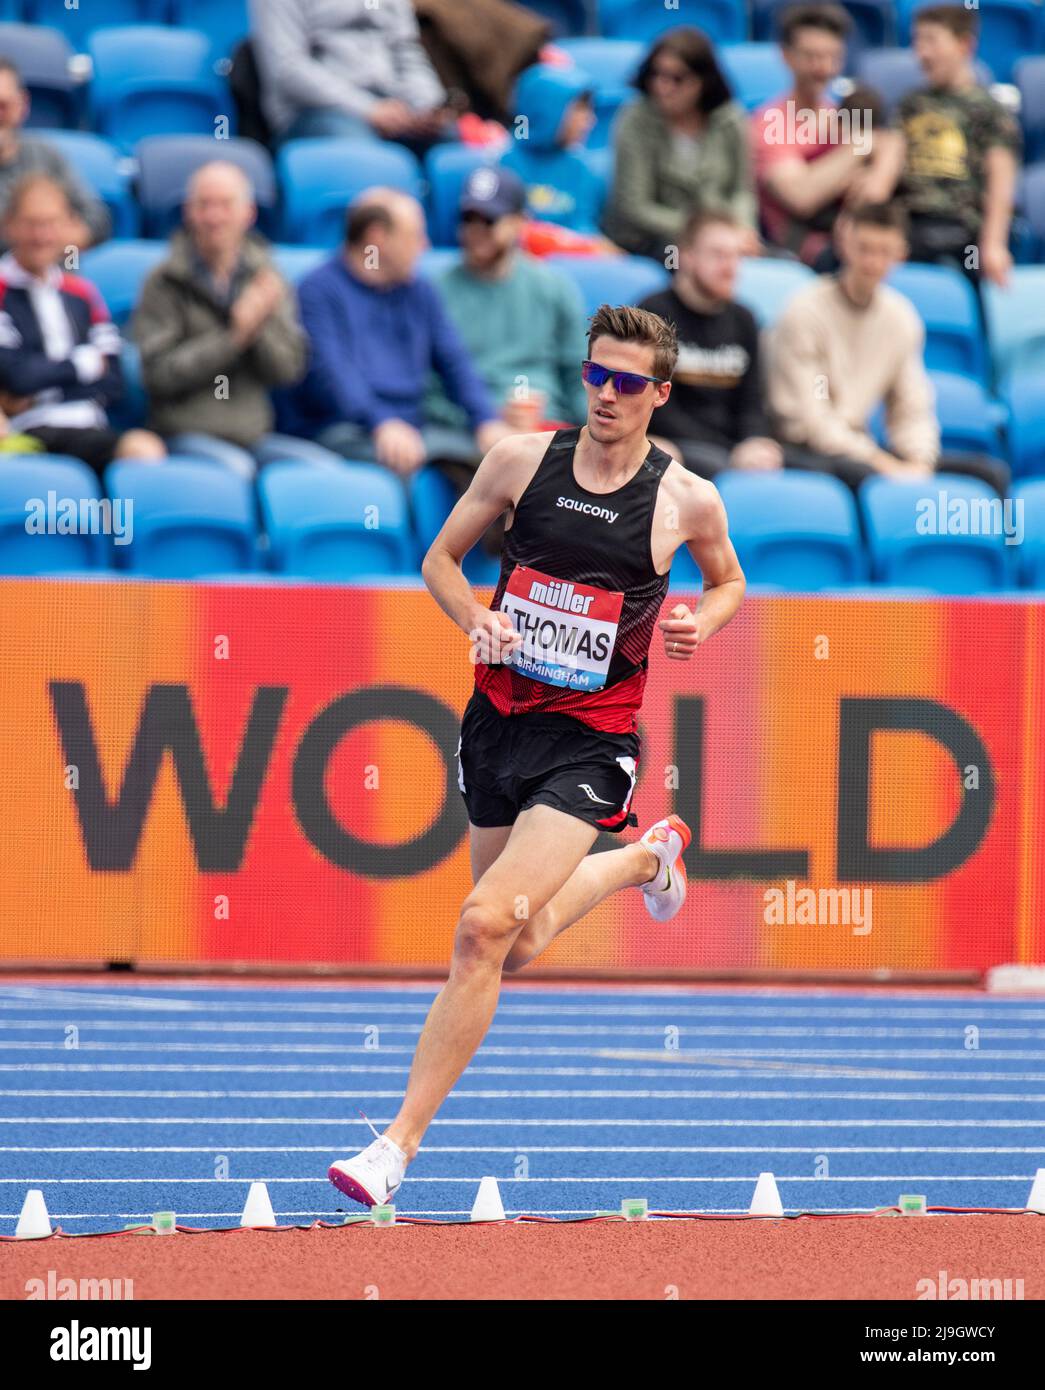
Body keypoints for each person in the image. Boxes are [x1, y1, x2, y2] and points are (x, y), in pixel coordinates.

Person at [326, 303, 746, 1206]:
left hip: (591, 744)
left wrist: (696, 624)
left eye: (627, 382)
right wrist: (476, 616)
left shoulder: (686, 499)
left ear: (659, 395)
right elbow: (440, 560)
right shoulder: (521, 460)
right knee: (513, 947)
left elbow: (728, 580)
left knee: (481, 926)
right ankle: (643, 860)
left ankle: (394, 1147)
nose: (606, 393)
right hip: (497, 725)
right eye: (596, 374)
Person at [767, 201, 1008, 493]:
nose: (873, 262)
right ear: (844, 245)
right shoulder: (805, 310)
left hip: (864, 451)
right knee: (859, 473)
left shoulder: (901, 317)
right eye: (865, 249)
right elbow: (811, 420)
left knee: (990, 474)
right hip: (807, 450)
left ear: (900, 255)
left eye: (884, 252)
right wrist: (881, 463)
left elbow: (912, 407)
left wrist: (919, 461)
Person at [280, 187, 511, 474]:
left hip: (412, 427)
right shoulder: (318, 291)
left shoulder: (419, 290)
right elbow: (333, 376)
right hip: (340, 429)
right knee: (448, 466)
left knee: (504, 460)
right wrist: (381, 422)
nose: (425, 246)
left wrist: (485, 419)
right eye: (415, 236)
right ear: (377, 237)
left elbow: (454, 361)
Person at [132, 162, 329, 478]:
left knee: (323, 472)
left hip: (254, 438)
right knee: (237, 471)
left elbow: (289, 370)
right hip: (183, 435)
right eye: (204, 205)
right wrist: (233, 337)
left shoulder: (266, 277)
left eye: (225, 205)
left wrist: (259, 327)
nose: (214, 217)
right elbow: (157, 375)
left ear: (248, 213)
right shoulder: (163, 281)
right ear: (188, 212)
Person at [0, 174, 163, 473]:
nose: (41, 235)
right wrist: (83, 365)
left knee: (144, 452)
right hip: (25, 431)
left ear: (67, 228)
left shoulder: (83, 293)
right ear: (9, 226)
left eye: (51, 224)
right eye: (32, 224)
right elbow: (16, 375)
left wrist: (40, 385)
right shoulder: (1, 289)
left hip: (89, 427)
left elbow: (113, 380)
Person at [428, 165, 589, 438]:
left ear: (520, 222)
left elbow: (578, 378)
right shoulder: (434, 291)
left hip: (547, 427)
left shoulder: (554, 286)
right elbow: (426, 387)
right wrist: (485, 419)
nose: (476, 230)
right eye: (468, 219)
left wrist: (595, 431)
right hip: (467, 432)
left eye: (489, 220)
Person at [751, 5, 902, 267]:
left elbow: (892, 148)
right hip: (796, 254)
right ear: (786, 56)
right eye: (811, 56)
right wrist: (863, 147)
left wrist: (874, 179)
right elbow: (801, 197)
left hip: (855, 248)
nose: (823, 67)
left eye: (833, 57)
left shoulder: (843, 114)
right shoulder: (768, 124)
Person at [639, 209, 781, 478]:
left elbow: (753, 403)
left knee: (797, 469)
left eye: (736, 256)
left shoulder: (744, 319)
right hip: (677, 443)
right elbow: (656, 407)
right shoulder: (653, 314)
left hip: (732, 449)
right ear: (687, 257)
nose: (731, 268)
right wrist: (731, 452)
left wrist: (754, 441)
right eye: (718, 255)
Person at [601, 26, 759, 261]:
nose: (663, 87)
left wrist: (743, 229)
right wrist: (704, 234)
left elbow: (741, 191)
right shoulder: (635, 120)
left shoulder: (730, 120)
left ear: (702, 81)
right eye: (657, 75)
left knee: (784, 264)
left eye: (677, 78)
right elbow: (634, 207)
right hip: (653, 240)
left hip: (724, 239)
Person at [891, 4, 1020, 290]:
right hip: (907, 225)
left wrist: (994, 244)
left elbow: (1001, 182)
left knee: (959, 272)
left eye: (931, 41)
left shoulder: (990, 111)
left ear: (964, 45)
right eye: (917, 41)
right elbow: (888, 166)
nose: (921, 53)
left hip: (961, 229)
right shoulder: (911, 105)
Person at [249, 0, 456, 150]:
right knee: (362, 155)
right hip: (316, 113)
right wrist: (369, 109)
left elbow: (406, 50)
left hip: (394, 106)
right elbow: (288, 68)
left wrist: (426, 107)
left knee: (451, 142)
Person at [0, 59, 110, 251]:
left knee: (73, 256)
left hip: (56, 271)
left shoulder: (47, 156)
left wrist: (64, 240)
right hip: (8, 275)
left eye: (3, 105)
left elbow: (96, 217)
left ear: (22, 104)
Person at [498, 63, 606, 235]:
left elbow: (584, 229)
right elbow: (501, 232)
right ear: (548, 110)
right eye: (579, 110)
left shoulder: (584, 169)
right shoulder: (505, 164)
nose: (590, 120)